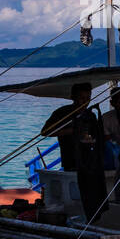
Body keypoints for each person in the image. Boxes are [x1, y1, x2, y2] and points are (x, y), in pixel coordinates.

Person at [40, 81, 107, 221]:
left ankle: (93, 217)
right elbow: (45, 131)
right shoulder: (62, 113)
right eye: (81, 98)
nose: (85, 102)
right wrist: (72, 131)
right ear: (72, 97)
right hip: (70, 159)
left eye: (88, 98)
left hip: (88, 161)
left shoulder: (90, 115)